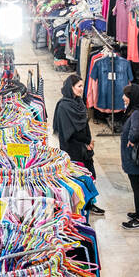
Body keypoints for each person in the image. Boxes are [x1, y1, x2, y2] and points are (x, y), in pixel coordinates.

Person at [52, 74, 104, 215]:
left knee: (90, 174)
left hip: (84, 147)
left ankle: (91, 202)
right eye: (79, 86)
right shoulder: (63, 107)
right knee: (78, 177)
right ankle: (83, 205)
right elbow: (68, 132)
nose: (82, 89)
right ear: (71, 87)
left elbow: (84, 125)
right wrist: (85, 143)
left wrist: (89, 142)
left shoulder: (79, 103)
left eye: (82, 86)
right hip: (72, 148)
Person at [120, 83, 139, 229]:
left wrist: (131, 140)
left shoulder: (136, 113)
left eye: (126, 95)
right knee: (138, 185)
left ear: (132, 97)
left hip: (134, 157)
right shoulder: (136, 111)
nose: (123, 97)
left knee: (136, 186)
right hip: (133, 156)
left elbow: (136, 130)